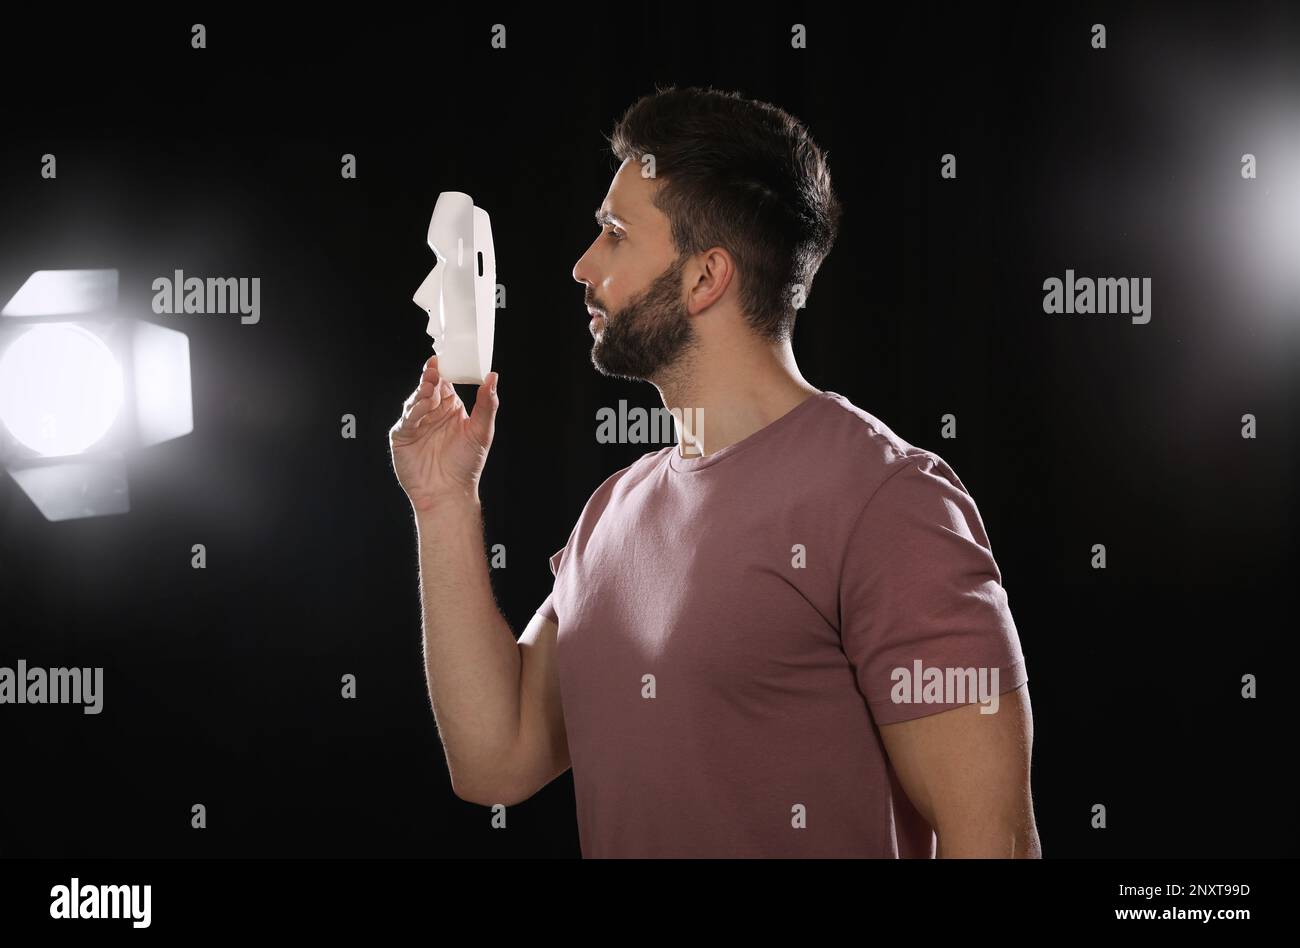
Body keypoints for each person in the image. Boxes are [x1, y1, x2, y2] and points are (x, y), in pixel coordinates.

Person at [389, 85, 1039, 858]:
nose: (581, 265)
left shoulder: (890, 502)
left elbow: (991, 841)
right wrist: (443, 503)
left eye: (614, 234)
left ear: (706, 278)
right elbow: (496, 758)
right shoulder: (611, 512)